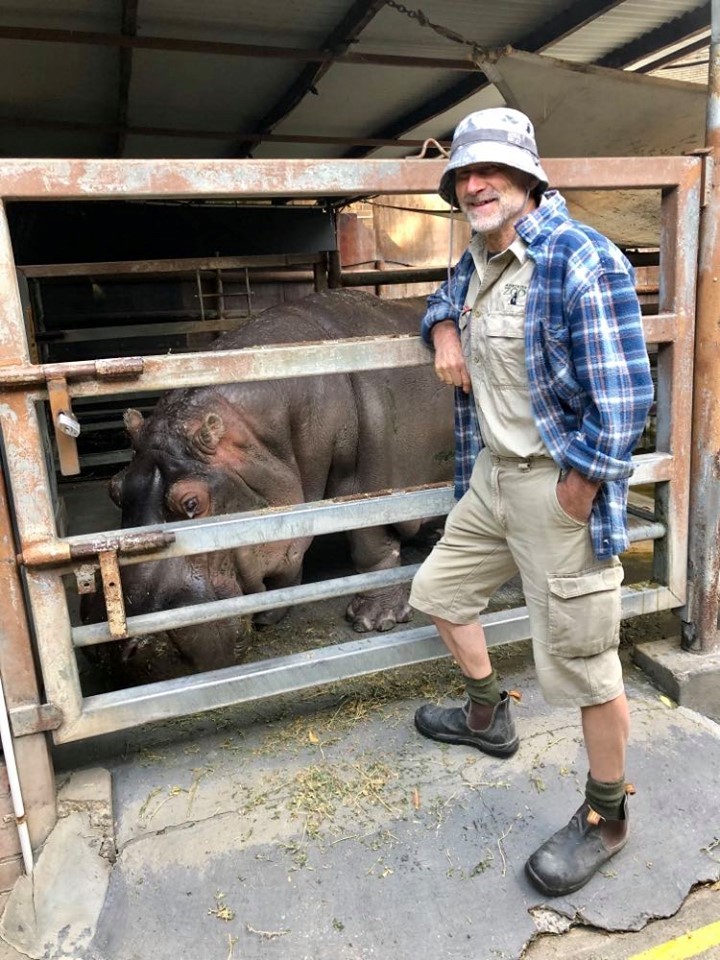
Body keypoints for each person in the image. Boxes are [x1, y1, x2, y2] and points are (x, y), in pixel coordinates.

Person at [409, 107, 654, 897]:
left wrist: (579, 486)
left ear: (528, 176)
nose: (473, 184)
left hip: (559, 485)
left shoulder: (582, 258)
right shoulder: (480, 256)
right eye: (462, 176)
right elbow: (443, 300)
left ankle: (606, 815)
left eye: (490, 170)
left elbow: (626, 397)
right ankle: (488, 713)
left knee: (585, 665)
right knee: (439, 593)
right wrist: (443, 329)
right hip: (491, 476)